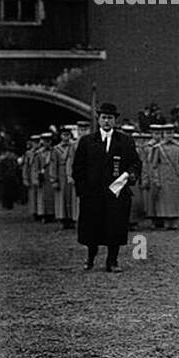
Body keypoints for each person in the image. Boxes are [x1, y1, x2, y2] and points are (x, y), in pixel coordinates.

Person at [71, 102, 142, 272]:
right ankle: (90, 259)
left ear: (115, 120)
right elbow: (78, 167)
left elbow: (135, 163)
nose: (107, 121)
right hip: (93, 193)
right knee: (92, 228)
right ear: (98, 119)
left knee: (115, 227)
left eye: (110, 118)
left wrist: (129, 176)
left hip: (116, 193)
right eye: (104, 118)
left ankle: (112, 261)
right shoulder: (87, 141)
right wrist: (83, 191)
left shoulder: (125, 141)